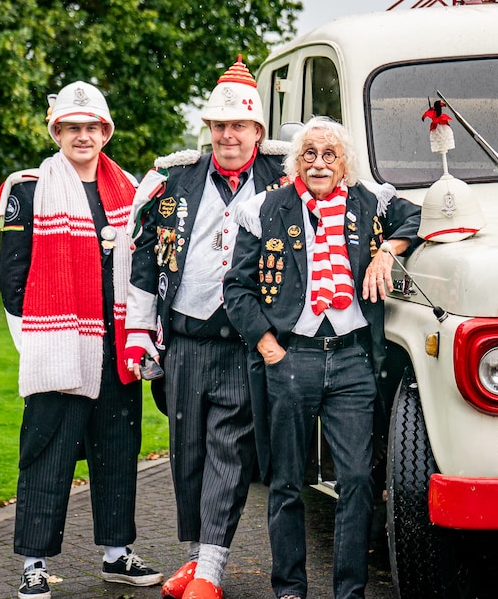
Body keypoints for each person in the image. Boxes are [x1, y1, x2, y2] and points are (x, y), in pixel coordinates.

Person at [223, 116, 422, 599]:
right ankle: (290, 588)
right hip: (292, 359)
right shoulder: (266, 209)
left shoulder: (368, 203)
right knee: (287, 481)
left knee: (355, 480)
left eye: (329, 154)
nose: (319, 163)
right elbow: (237, 288)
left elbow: (416, 216)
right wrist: (269, 348)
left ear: (344, 163)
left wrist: (385, 253)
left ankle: (349, 591)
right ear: (296, 162)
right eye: (309, 154)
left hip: (353, 359)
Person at [123, 57, 288, 599]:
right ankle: (198, 560)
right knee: (187, 452)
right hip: (185, 340)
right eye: (219, 126)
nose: (227, 136)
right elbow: (145, 259)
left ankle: (211, 572)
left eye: (239, 126)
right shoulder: (175, 180)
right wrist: (140, 332)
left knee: (229, 452)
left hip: (245, 340)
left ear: (258, 132)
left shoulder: (284, 180)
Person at [0, 81, 163, 599]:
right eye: (73, 127)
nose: (83, 136)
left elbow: (141, 266)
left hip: (115, 344)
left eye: (92, 127)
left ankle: (117, 554)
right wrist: (37, 342)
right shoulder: (28, 189)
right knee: (46, 452)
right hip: (59, 342)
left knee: (117, 451)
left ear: (105, 131)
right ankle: (34, 563)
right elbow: (13, 277)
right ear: (57, 131)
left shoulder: (128, 188)